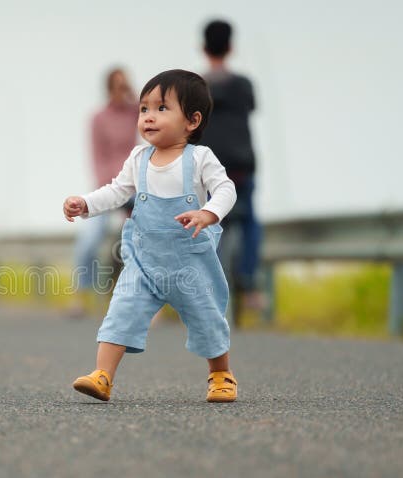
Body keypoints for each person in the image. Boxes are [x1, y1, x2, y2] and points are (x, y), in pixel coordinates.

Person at [63, 70, 238, 402]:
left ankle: (220, 374)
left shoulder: (200, 159)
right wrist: (85, 203)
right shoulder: (138, 159)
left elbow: (225, 189)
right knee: (121, 312)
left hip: (191, 265)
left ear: (192, 120)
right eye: (144, 109)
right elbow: (117, 191)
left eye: (161, 108)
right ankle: (103, 375)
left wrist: (208, 213)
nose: (149, 117)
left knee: (207, 318)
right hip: (145, 262)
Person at [200, 19, 263, 315]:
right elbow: (250, 108)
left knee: (207, 226)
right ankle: (250, 286)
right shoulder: (243, 85)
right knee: (249, 221)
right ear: (231, 47)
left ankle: (204, 292)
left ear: (203, 47)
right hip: (241, 166)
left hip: (210, 172)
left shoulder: (196, 89)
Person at [69, 68, 138, 317]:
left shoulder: (135, 113)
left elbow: (153, 112)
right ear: (108, 88)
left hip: (132, 185)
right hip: (106, 186)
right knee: (88, 240)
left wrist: (133, 93)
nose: (122, 91)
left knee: (143, 240)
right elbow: (96, 155)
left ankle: (149, 304)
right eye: (118, 86)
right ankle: (80, 296)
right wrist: (102, 192)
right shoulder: (98, 118)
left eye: (125, 85)